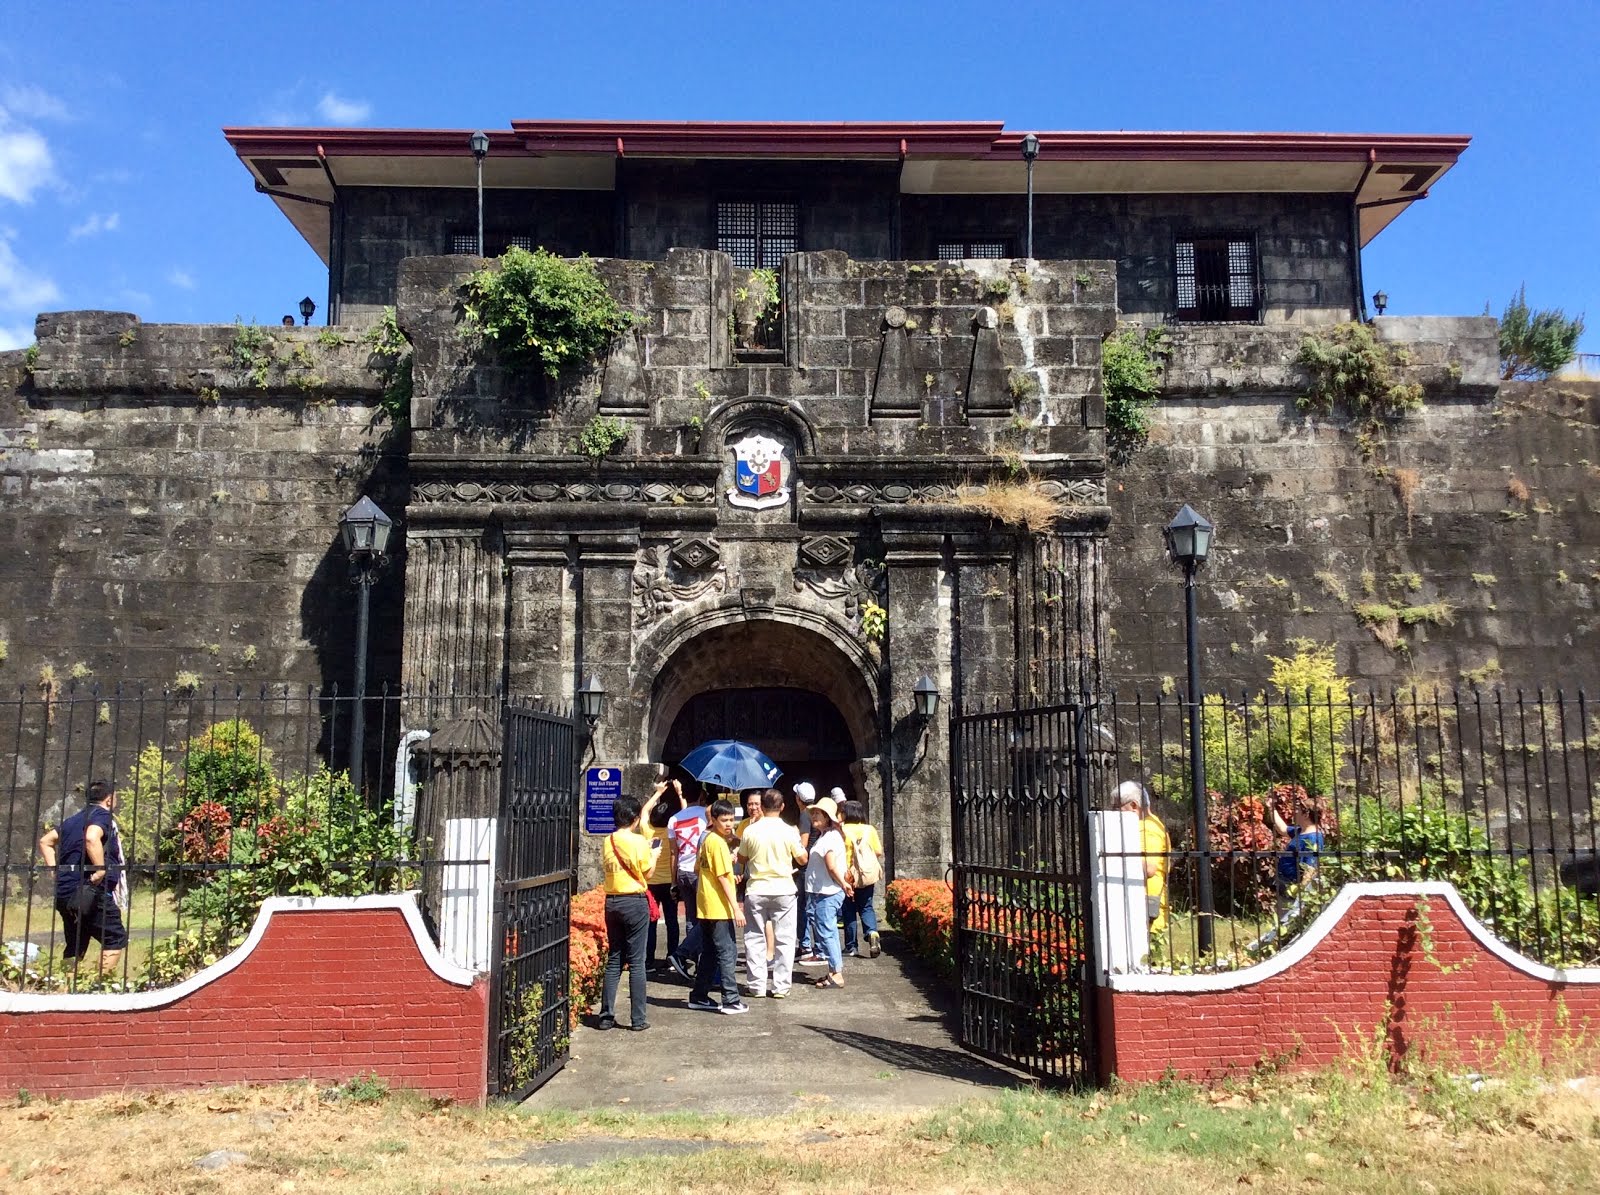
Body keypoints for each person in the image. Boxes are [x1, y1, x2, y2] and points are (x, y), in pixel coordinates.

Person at [37, 780, 127, 978]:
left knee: (76, 944)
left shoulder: (74, 819)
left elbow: (46, 841)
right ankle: (101, 986)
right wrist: (100, 868)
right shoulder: (102, 816)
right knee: (114, 936)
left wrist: (55, 870)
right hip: (89, 891)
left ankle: (65, 985)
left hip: (65, 892)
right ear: (110, 799)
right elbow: (91, 837)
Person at [597, 782, 668, 1031]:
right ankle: (638, 1019)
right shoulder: (639, 842)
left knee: (614, 958)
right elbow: (647, 874)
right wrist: (654, 856)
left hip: (612, 902)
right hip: (634, 902)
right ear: (636, 819)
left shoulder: (608, 841)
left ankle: (606, 1015)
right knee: (637, 962)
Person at [737, 788, 807, 998]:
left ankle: (756, 986)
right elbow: (803, 859)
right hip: (784, 888)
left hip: (757, 888)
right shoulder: (789, 831)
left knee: (754, 937)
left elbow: (741, 859)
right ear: (783, 806)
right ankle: (781, 986)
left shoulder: (750, 830)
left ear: (762, 807)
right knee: (785, 938)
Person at [687, 799, 749, 1015]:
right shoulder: (718, 843)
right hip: (718, 906)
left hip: (706, 904)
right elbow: (723, 877)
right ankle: (730, 999)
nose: (729, 824)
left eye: (732, 820)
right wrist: (736, 908)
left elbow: (699, 869)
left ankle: (699, 995)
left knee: (711, 952)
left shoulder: (706, 840)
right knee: (727, 951)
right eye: (724, 820)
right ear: (713, 820)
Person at [800, 795, 852, 988]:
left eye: (818, 813)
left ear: (828, 817)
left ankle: (836, 973)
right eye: (813, 812)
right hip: (822, 890)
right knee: (824, 930)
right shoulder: (826, 835)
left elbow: (831, 866)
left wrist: (843, 884)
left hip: (828, 891)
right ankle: (833, 970)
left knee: (827, 931)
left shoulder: (830, 836)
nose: (814, 816)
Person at [663, 784, 710, 980]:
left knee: (691, 918)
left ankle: (692, 960)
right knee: (707, 918)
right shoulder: (707, 814)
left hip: (682, 871)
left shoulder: (674, 819)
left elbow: (673, 852)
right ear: (701, 796)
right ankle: (693, 958)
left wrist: (673, 881)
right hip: (700, 871)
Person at [1115, 780, 1170, 936]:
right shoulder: (1152, 824)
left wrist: (1115, 854)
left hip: (1147, 911)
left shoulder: (1148, 828)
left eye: (1118, 807)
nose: (1115, 813)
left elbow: (1149, 868)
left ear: (1133, 805)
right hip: (1144, 906)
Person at [645, 782, 683, 971]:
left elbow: (644, 811)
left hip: (650, 882)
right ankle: (672, 957)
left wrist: (658, 792)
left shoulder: (646, 831)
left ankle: (649, 960)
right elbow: (685, 813)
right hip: (669, 882)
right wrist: (679, 793)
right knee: (671, 921)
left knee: (651, 921)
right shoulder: (672, 833)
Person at [839, 799, 883, 958]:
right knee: (866, 906)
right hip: (865, 874)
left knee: (848, 910)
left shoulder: (841, 829)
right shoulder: (869, 829)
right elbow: (878, 851)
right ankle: (872, 932)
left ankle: (851, 946)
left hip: (847, 875)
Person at [1269, 802, 1325, 922]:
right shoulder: (1300, 831)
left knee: (1287, 921)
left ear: (1306, 815)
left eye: (1298, 810)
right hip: (1286, 885)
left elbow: (1310, 868)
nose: (1295, 812)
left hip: (1293, 888)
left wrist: (1300, 896)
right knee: (1281, 919)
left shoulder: (1312, 838)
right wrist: (1271, 808)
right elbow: (1282, 829)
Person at [791, 780, 819, 958]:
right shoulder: (818, 812)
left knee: (803, 906)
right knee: (814, 905)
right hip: (817, 865)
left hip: (806, 866)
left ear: (798, 799)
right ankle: (818, 945)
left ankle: (806, 945)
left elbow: (803, 844)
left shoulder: (804, 815)